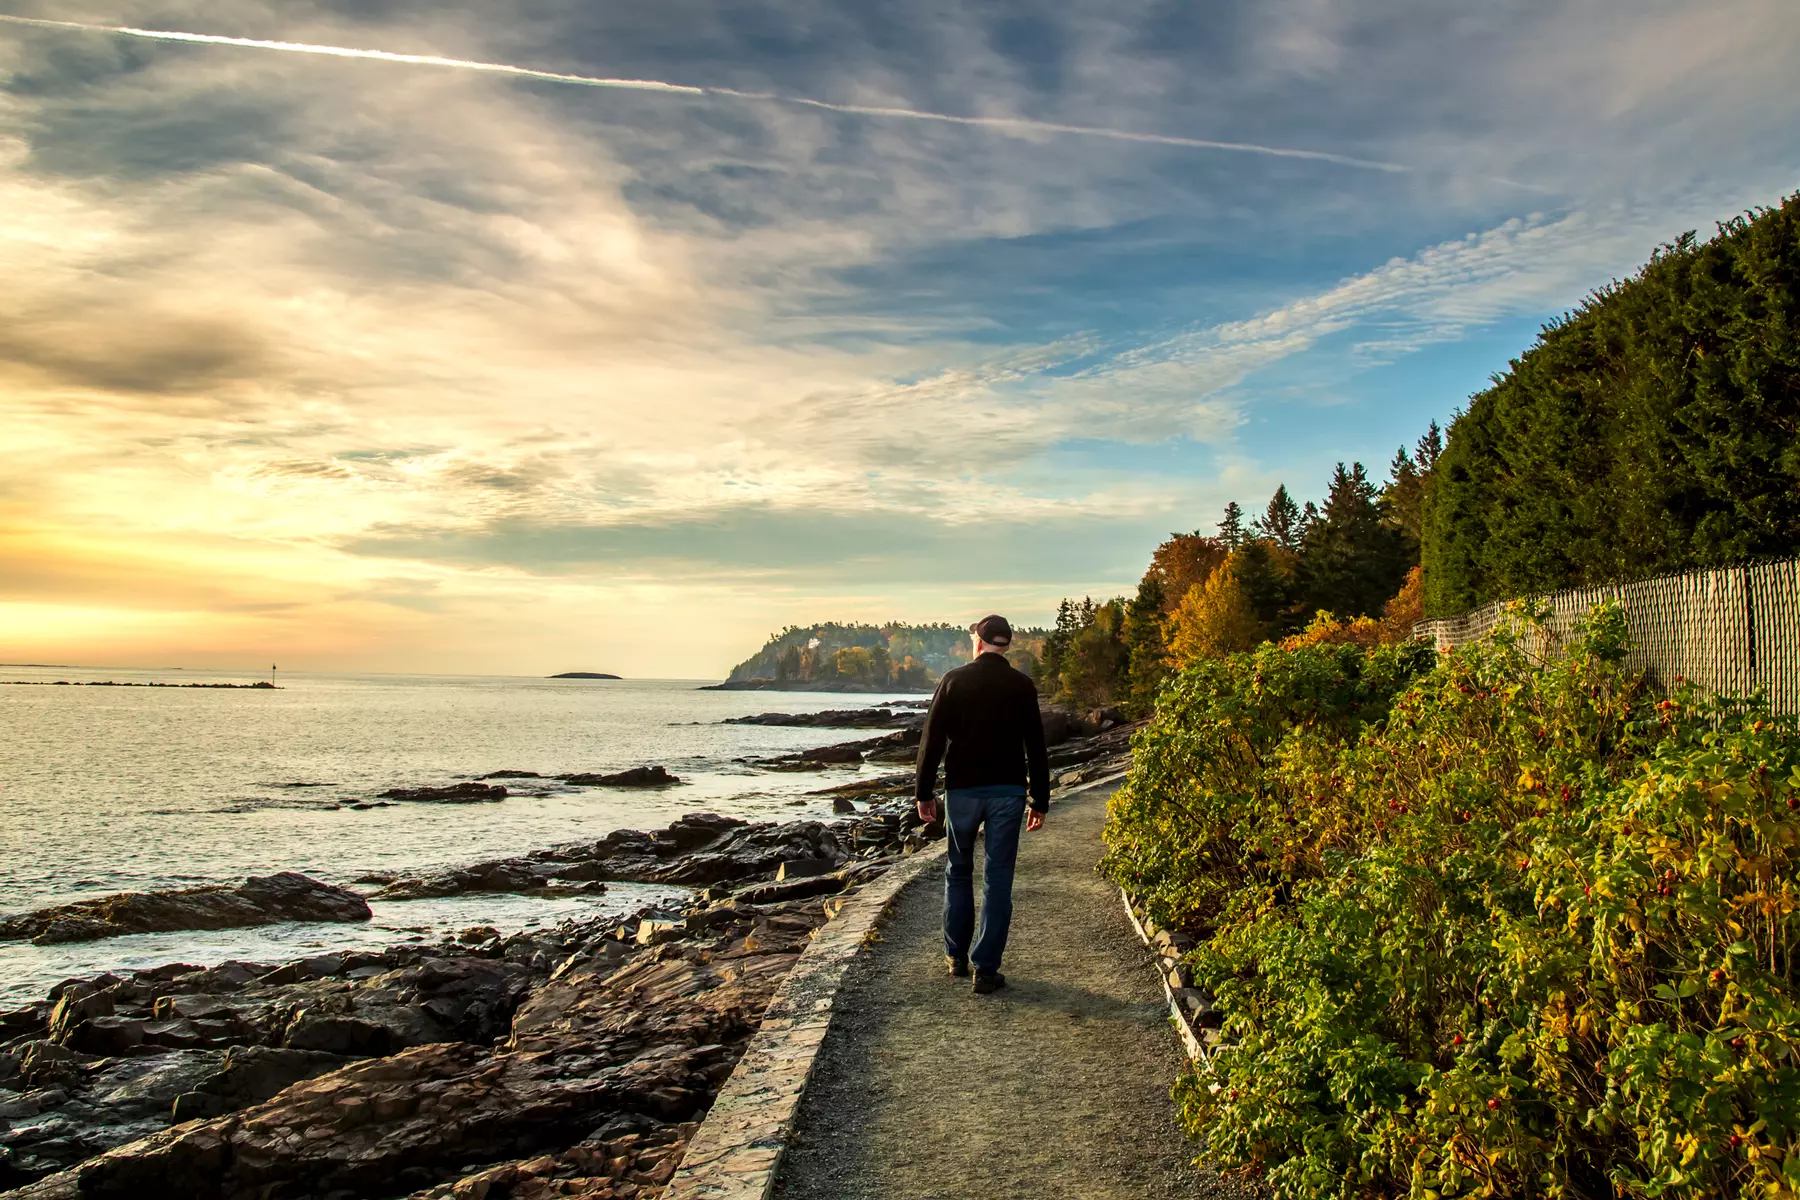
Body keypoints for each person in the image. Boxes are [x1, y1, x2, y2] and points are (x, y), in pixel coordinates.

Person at [914, 614, 1050, 994]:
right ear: (1005, 644)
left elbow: (933, 739)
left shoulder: (954, 680)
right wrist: (1040, 799)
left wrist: (924, 792)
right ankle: (985, 969)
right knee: (998, 878)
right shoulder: (1022, 686)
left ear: (979, 639)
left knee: (958, 871)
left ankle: (956, 956)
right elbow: (1036, 746)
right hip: (1008, 792)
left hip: (963, 792)